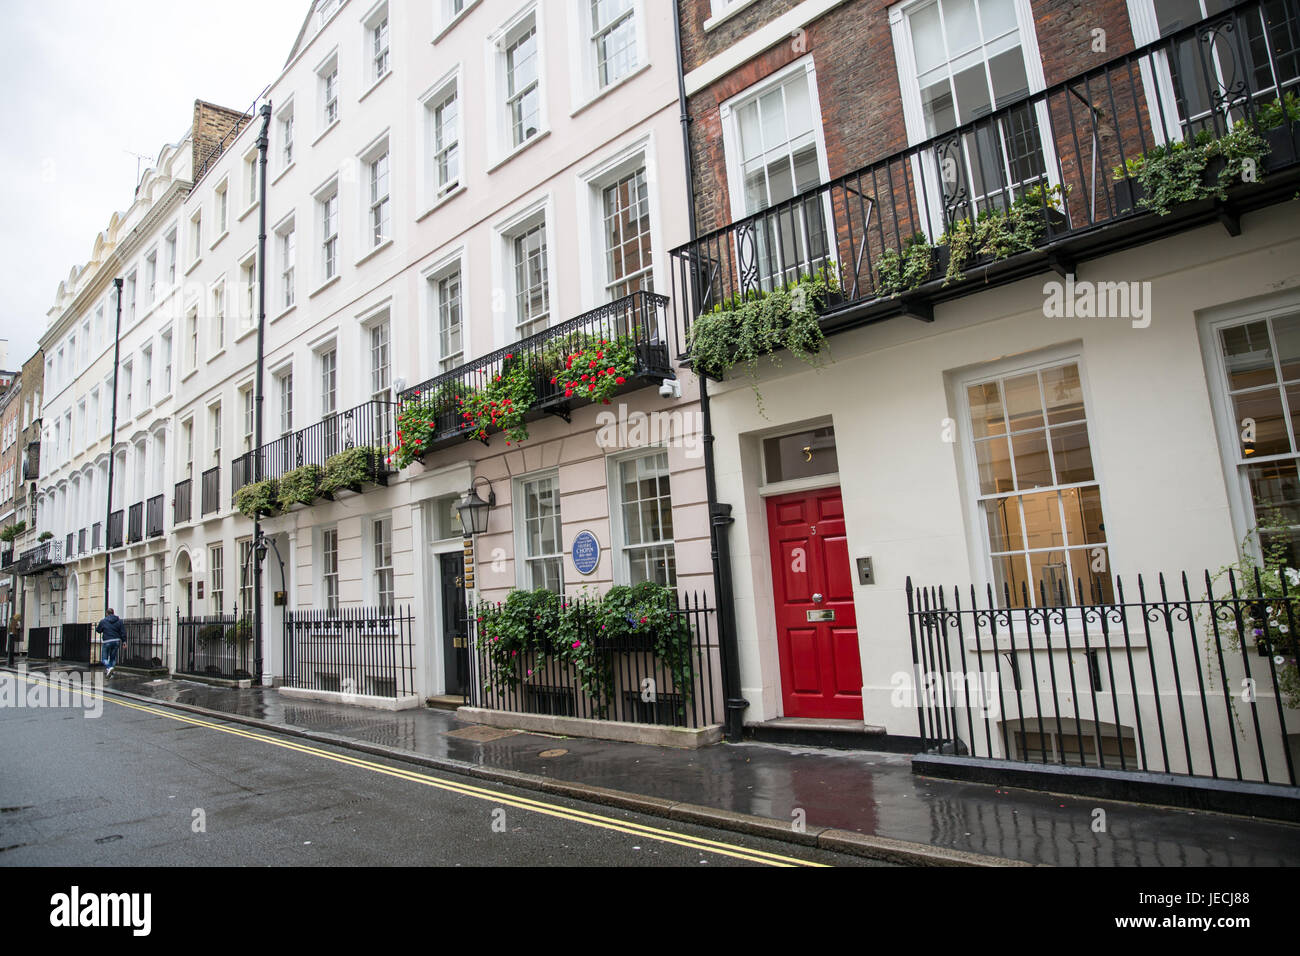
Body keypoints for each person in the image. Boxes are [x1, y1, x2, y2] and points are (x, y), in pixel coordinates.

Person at [96, 608, 126, 679]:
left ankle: (109, 668)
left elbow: (98, 630)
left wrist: (103, 629)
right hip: (116, 641)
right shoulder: (119, 621)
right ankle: (110, 673)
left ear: (107, 613)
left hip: (107, 641)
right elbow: (123, 632)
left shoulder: (103, 621)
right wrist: (124, 641)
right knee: (112, 658)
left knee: (104, 659)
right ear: (113, 613)